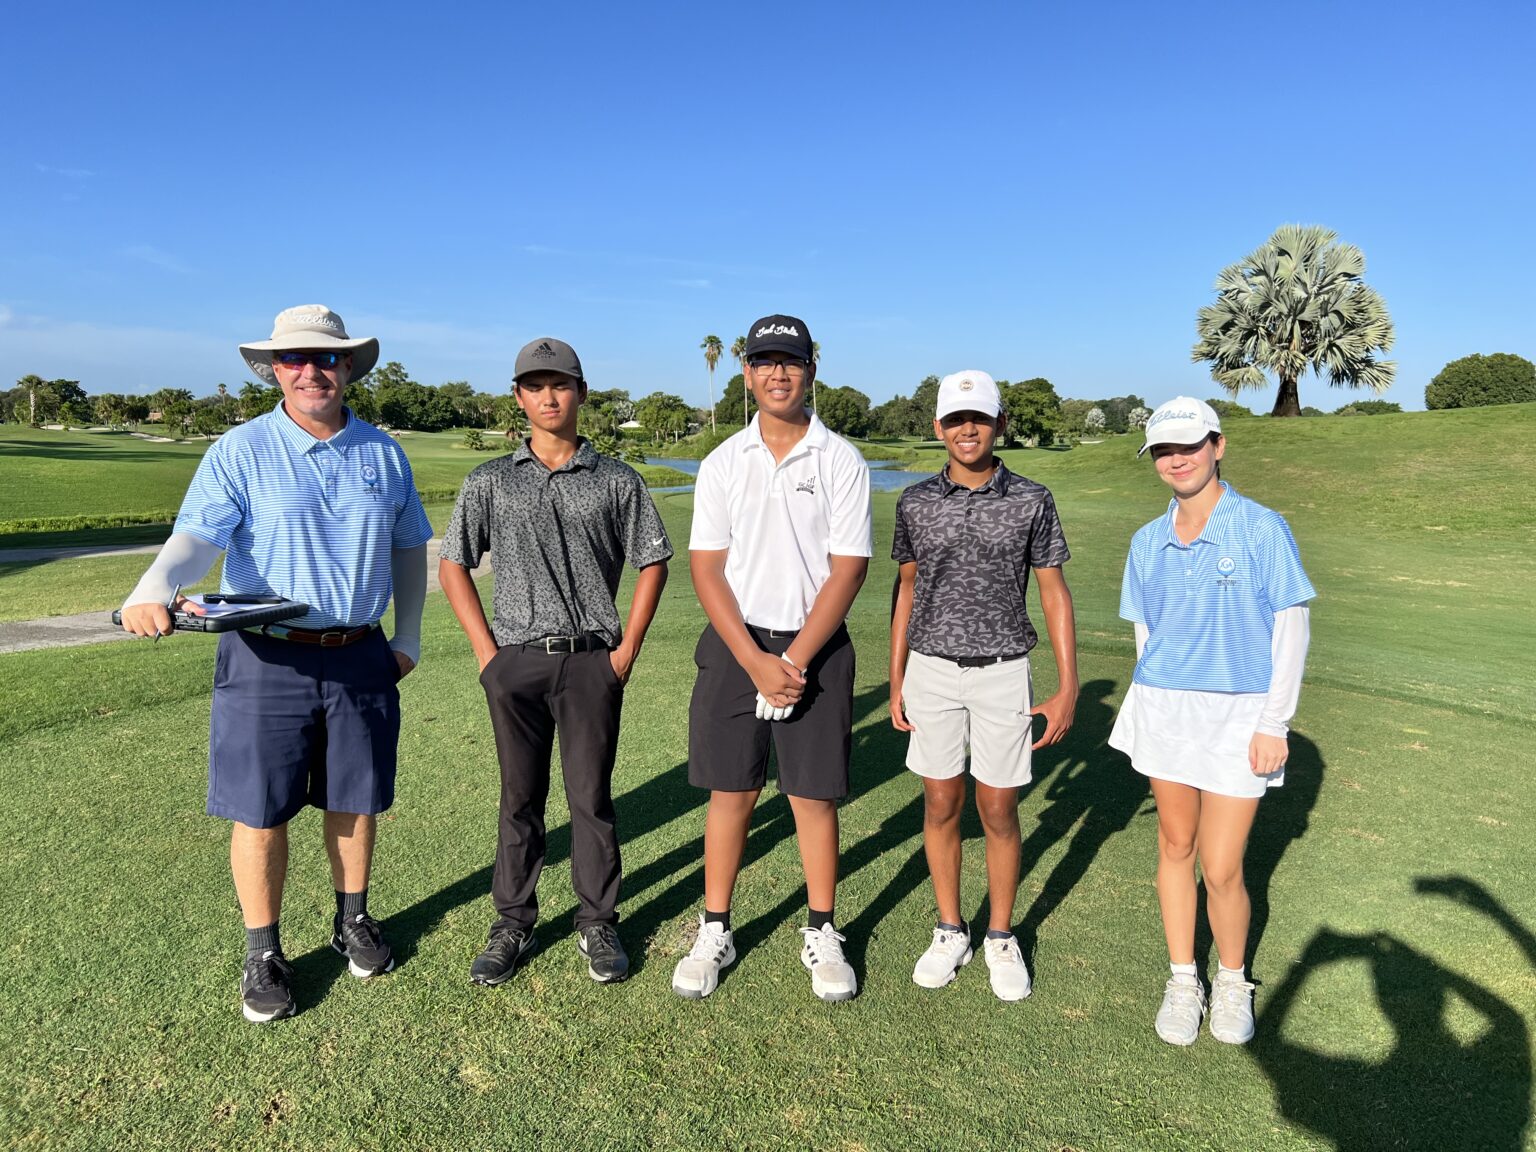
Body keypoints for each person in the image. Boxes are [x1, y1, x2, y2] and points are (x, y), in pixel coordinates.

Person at [118, 305, 432, 1023]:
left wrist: (407, 633)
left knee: (356, 798)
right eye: (294, 359)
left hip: (359, 651)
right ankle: (263, 950)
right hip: (267, 656)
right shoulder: (240, 448)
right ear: (274, 370)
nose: (311, 370)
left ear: (347, 367)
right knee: (260, 812)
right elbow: (198, 537)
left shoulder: (384, 452)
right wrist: (154, 585)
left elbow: (408, 546)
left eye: (325, 358)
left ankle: (352, 917)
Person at [438, 337, 671, 987]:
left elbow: (654, 560)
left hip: (592, 661)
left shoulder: (616, 479)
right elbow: (453, 562)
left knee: (591, 798)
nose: (548, 395)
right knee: (520, 798)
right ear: (518, 397)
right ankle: (513, 920)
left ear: (581, 392)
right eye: (534, 385)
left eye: (560, 384)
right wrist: (487, 653)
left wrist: (626, 651)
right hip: (515, 663)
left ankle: (597, 920)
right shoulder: (490, 479)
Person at [671, 314, 872, 1003]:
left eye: (791, 360)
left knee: (813, 797)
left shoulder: (839, 458)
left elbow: (848, 570)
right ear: (748, 373)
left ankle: (821, 929)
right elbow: (706, 569)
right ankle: (715, 926)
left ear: (811, 369)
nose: (778, 372)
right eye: (765, 361)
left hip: (818, 645)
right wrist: (758, 663)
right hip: (738, 647)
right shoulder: (725, 460)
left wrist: (795, 659)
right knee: (732, 793)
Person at [1109, 396, 1315, 1045]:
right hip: (1165, 709)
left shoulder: (1261, 527)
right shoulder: (1147, 540)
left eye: (1189, 446)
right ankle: (1181, 977)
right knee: (1175, 846)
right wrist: (1153, 706)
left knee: (1222, 866)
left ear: (1217, 445)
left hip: (1239, 715)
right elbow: (1146, 633)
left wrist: (1273, 724)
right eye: (1164, 450)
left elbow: (1291, 627)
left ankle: (1231, 980)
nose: (1177, 459)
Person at [888, 370, 1078, 1001]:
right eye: (954, 419)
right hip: (932, 670)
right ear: (937, 427)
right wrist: (895, 678)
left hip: (1003, 670)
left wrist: (1068, 683)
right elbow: (907, 589)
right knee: (941, 803)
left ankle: (999, 933)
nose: (966, 429)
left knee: (998, 808)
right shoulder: (914, 501)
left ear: (998, 424)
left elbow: (1052, 590)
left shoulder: (1032, 498)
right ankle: (950, 928)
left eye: (979, 418)